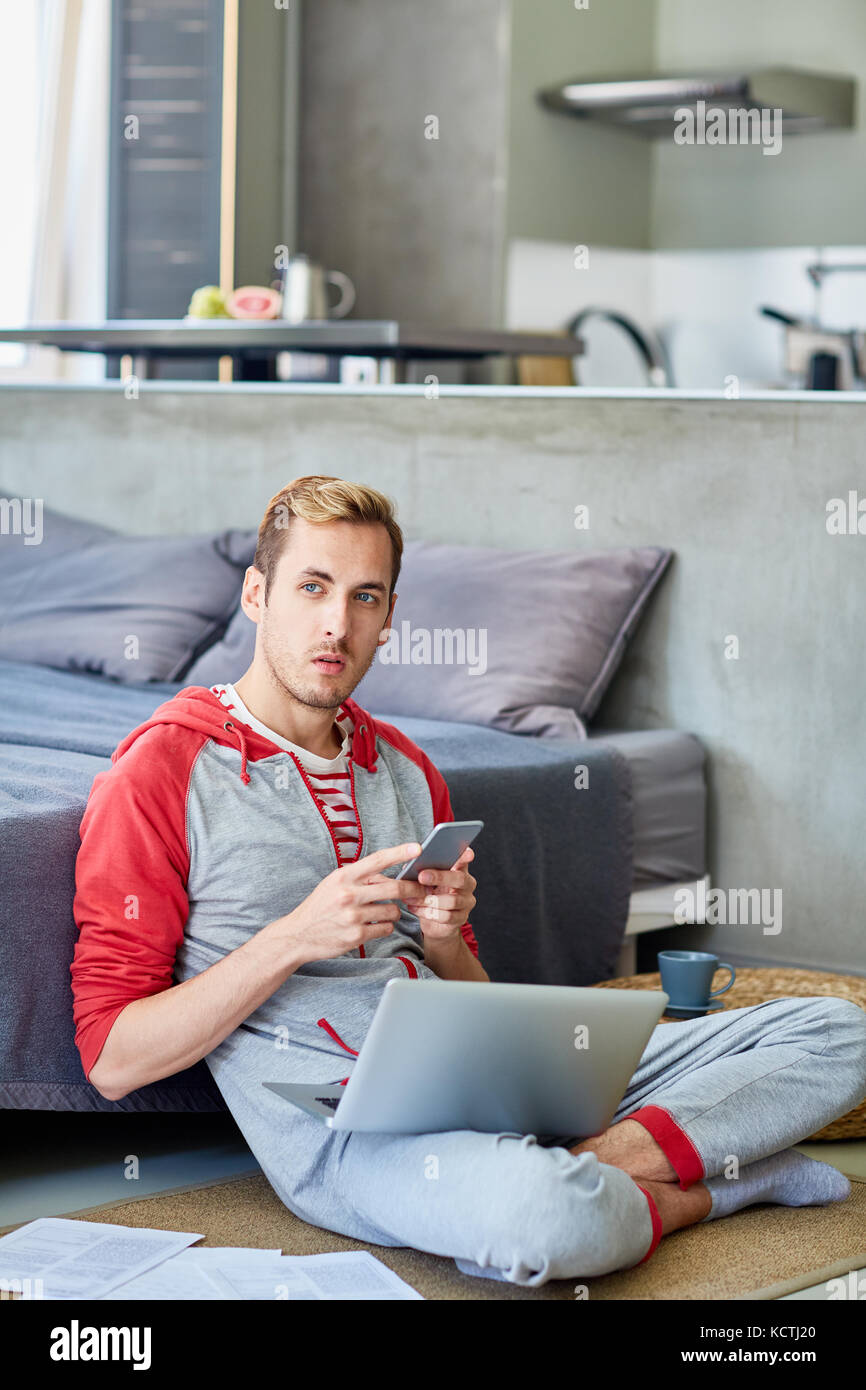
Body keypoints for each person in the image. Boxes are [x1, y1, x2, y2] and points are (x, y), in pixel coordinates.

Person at [70, 476, 866, 1287]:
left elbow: (472, 995)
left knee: (842, 1031)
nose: (336, 624)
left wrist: (447, 943)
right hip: (348, 1132)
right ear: (256, 593)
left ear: (388, 619)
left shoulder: (409, 772)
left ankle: (612, 1156)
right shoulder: (161, 771)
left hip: (486, 1080)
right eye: (312, 587)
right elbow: (112, 1058)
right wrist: (294, 938)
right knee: (546, 1216)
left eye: (366, 597)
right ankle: (708, 1187)